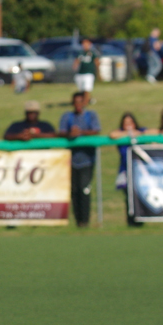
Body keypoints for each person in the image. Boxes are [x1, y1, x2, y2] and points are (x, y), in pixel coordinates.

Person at [59, 89, 101, 227]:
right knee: (74, 190)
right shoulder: (67, 116)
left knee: (84, 189)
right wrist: (70, 133)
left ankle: (85, 220)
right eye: (75, 102)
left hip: (87, 159)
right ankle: (77, 220)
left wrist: (81, 132)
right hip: (71, 160)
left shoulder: (91, 115)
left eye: (80, 102)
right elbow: (61, 132)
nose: (78, 105)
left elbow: (96, 130)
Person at [112, 112, 145, 227]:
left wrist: (138, 133)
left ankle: (140, 220)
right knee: (129, 197)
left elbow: (153, 132)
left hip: (140, 171)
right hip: (125, 170)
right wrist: (128, 133)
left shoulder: (140, 131)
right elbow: (112, 134)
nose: (128, 125)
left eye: (130, 123)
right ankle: (131, 221)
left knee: (140, 195)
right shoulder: (121, 134)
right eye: (126, 123)